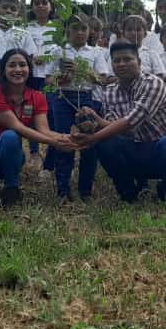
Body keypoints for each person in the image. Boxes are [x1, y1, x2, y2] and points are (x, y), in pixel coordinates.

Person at [69, 40, 166, 202]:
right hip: (131, 150)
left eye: (127, 59)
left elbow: (131, 121)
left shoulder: (153, 83)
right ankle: (128, 193)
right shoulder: (109, 92)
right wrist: (93, 121)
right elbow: (118, 128)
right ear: (112, 65)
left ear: (139, 62)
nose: (122, 64)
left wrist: (93, 136)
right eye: (116, 61)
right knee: (106, 142)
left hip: (157, 150)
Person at [0, 49, 76, 206]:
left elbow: (44, 131)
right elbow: (18, 127)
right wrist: (55, 143)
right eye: (12, 65)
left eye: (22, 65)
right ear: (3, 70)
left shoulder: (37, 97)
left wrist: (70, 139)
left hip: (9, 157)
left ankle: (11, 189)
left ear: (29, 69)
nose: (18, 70)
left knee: (10, 137)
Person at [45, 13, 111, 201]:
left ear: (89, 31)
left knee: (89, 141)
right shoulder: (59, 51)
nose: (80, 32)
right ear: (67, 31)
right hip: (63, 98)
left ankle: (85, 190)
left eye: (84, 28)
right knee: (64, 140)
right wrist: (61, 79)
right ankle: (63, 189)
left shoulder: (95, 53)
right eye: (75, 28)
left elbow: (103, 79)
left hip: (87, 98)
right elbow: (49, 79)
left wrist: (82, 71)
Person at [26, 0, 58, 173]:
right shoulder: (27, 28)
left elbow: (61, 50)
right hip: (32, 77)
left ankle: (50, 163)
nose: (40, 6)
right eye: (36, 3)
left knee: (51, 116)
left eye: (44, 2)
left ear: (50, 6)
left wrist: (47, 59)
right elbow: (22, 49)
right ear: (32, 7)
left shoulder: (57, 28)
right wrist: (32, 57)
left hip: (51, 77)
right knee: (30, 113)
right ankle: (34, 152)